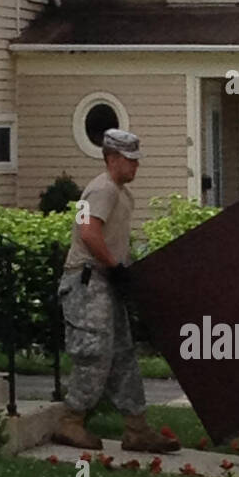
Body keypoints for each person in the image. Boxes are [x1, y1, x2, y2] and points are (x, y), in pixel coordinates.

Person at [52, 129, 180, 454]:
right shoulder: (102, 190)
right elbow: (87, 231)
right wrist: (114, 266)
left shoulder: (119, 193)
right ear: (112, 159)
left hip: (105, 281)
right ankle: (71, 421)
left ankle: (137, 429)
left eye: (137, 160)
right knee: (95, 353)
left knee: (122, 355)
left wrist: (125, 270)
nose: (136, 166)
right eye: (129, 160)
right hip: (88, 281)